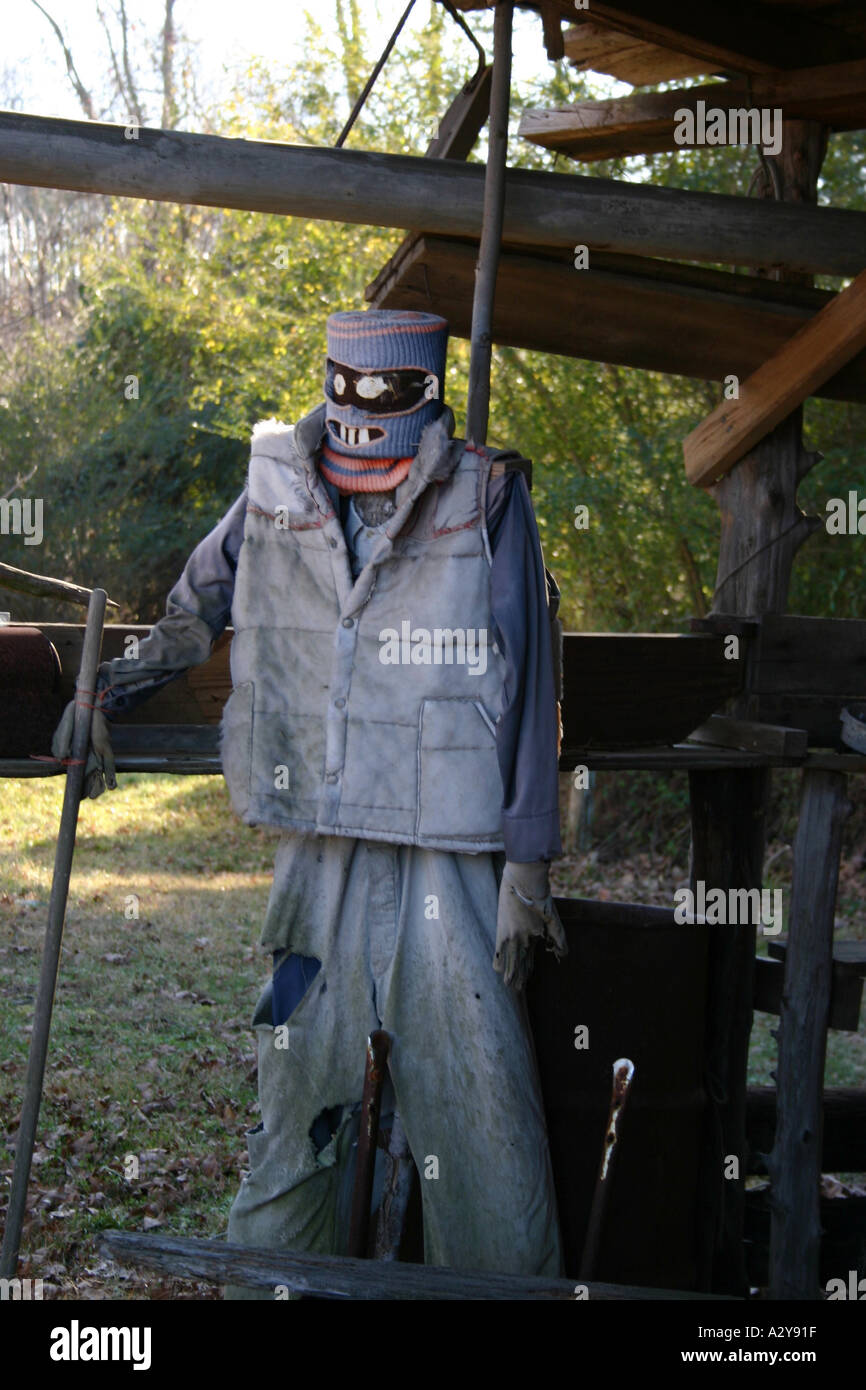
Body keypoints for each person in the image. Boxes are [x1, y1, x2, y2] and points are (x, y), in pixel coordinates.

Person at [54, 309, 566, 1288]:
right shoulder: (277, 484)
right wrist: (98, 691)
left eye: (383, 400)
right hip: (317, 840)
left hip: (444, 850)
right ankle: (275, 1286)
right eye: (347, 394)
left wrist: (529, 859)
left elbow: (532, 672)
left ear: (422, 395)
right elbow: (192, 607)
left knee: (480, 1102)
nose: (359, 424)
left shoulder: (486, 492)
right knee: (297, 1102)